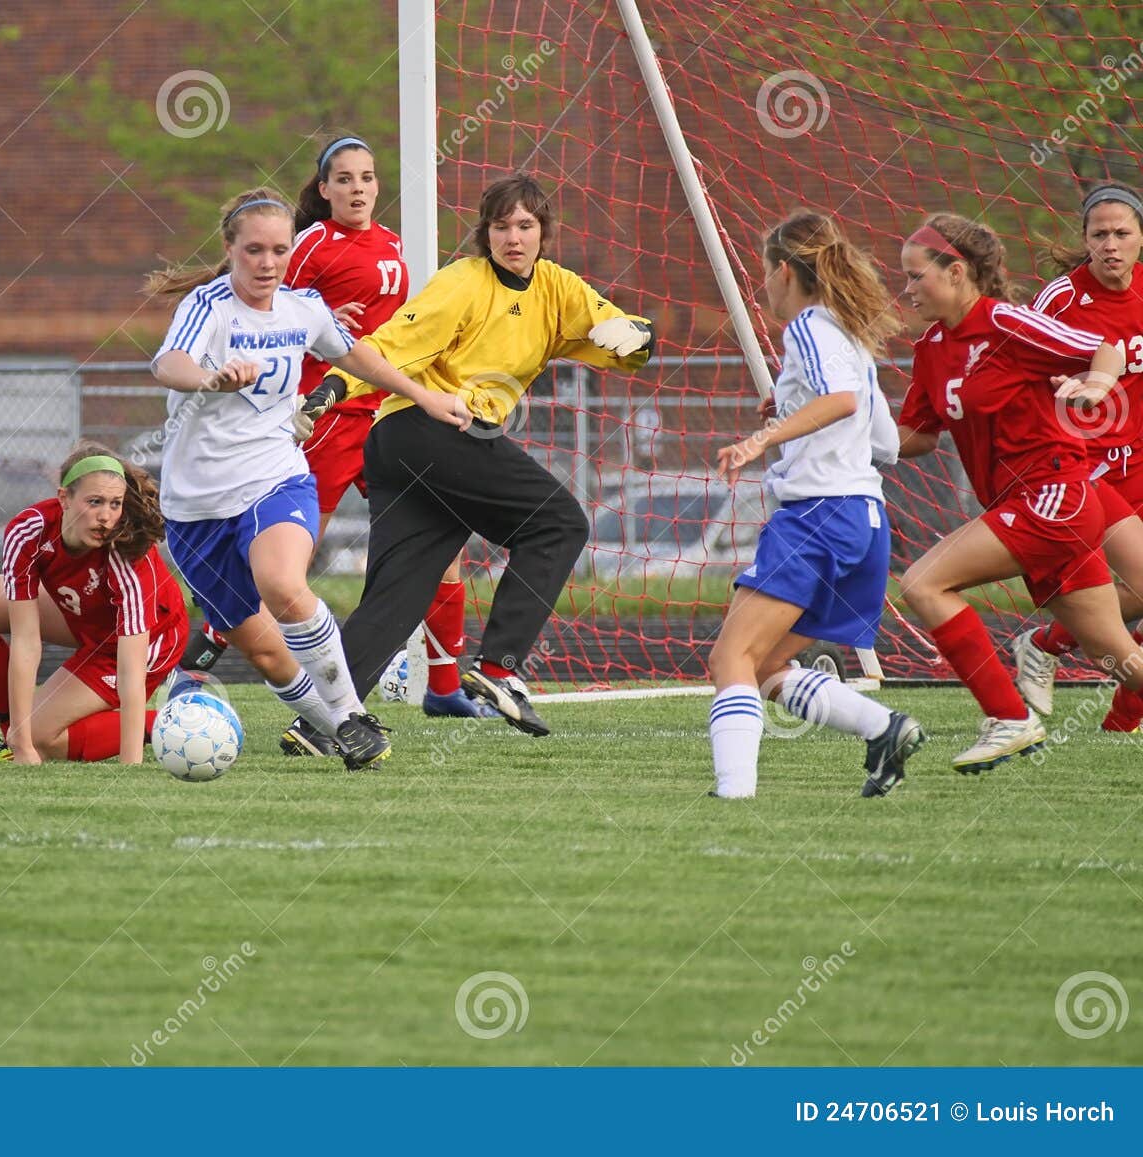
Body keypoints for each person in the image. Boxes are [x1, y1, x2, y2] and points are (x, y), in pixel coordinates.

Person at [146, 187, 470, 772]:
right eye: (254, 251)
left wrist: (425, 395)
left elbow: (360, 358)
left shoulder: (304, 309)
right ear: (231, 248)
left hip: (276, 476)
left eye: (279, 250)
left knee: (283, 583)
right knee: (270, 656)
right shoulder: (208, 307)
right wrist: (210, 379)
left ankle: (349, 714)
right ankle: (348, 735)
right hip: (195, 507)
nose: (267, 263)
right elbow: (169, 364)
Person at [327, 172, 654, 736]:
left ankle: (325, 720)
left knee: (399, 592)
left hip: (409, 451)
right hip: (428, 431)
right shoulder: (464, 281)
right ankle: (500, 669)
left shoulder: (558, 288)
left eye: (525, 225)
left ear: (543, 232)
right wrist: (331, 387)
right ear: (486, 233)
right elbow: (390, 346)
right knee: (558, 524)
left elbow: (618, 335)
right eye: (501, 226)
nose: (513, 237)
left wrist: (638, 336)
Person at [895, 212, 1143, 773]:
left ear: (955, 272)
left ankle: (1009, 718)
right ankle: (1023, 700)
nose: (906, 289)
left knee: (924, 583)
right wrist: (826, 426)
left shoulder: (1007, 323)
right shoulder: (933, 345)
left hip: (1054, 494)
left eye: (915, 276)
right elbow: (915, 438)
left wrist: (1097, 386)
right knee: (1117, 655)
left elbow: (1102, 348)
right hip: (1023, 504)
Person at [709, 210, 920, 799]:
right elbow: (884, 442)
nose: (763, 285)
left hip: (817, 517)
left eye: (764, 272)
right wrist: (791, 410)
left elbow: (841, 401)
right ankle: (884, 728)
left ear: (783, 272)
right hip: (864, 519)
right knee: (767, 666)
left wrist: (765, 437)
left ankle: (733, 796)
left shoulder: (807, 326)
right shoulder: (850, 335)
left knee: (731, 659)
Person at [0, 443, 186, 765]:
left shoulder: (126, 556)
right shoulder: (28, 531)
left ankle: (172, 722)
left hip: (148, 637)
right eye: (94, 502)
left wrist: (131, 767)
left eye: (115, 504)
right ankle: (14, 738)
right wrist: (21, 745)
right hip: (85, 611)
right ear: (63, 499)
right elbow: (25, 640)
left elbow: (130, 673)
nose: (106, 517)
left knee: (43, 738)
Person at [1010, 183, 1143, 729]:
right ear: (1085, 239)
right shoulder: (1062, 299)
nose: (1110, 244)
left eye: (1122, 233)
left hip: (1140, 459)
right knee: (1135, 589)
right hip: (1086, 469)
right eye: (1099, 234)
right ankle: (1045, 644)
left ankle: (1118, 724)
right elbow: (1020, 369)